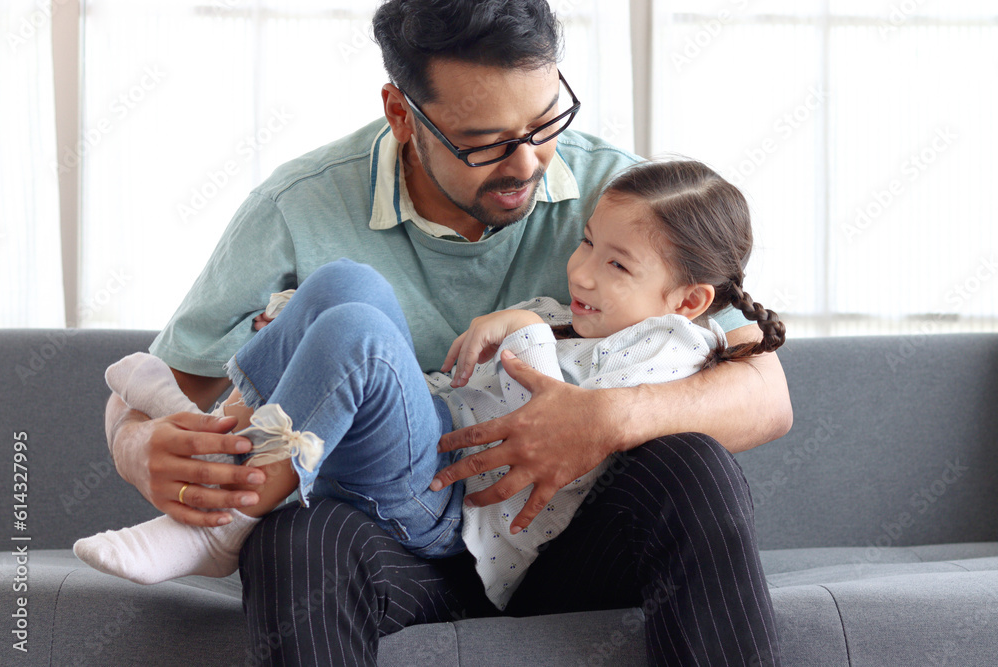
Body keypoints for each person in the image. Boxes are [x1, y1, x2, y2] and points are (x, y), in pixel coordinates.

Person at [102, 1, 792, 664]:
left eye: (545, 120)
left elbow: (763, 393)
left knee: (694, 466)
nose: (526, 163)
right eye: (484, 142)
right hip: (404, 534)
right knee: (295, 535)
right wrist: (138, 448)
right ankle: (232, 521)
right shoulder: (297, 207)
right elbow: (157, 385)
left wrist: (599, 420)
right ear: (403, 114)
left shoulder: (622, 199)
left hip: (564, 535)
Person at [77, 159, 785, 617]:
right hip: (428, 448)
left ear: (690, 301)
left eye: (616, 264)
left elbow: (576, 406)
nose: (583, 273)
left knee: (355, 329)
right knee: (343, 283)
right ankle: (216, 432)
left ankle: (230, 516)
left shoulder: (671, 348)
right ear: (403, 110)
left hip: (457, 507)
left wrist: (522, 322)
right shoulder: (586, 318)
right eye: (585, 243)